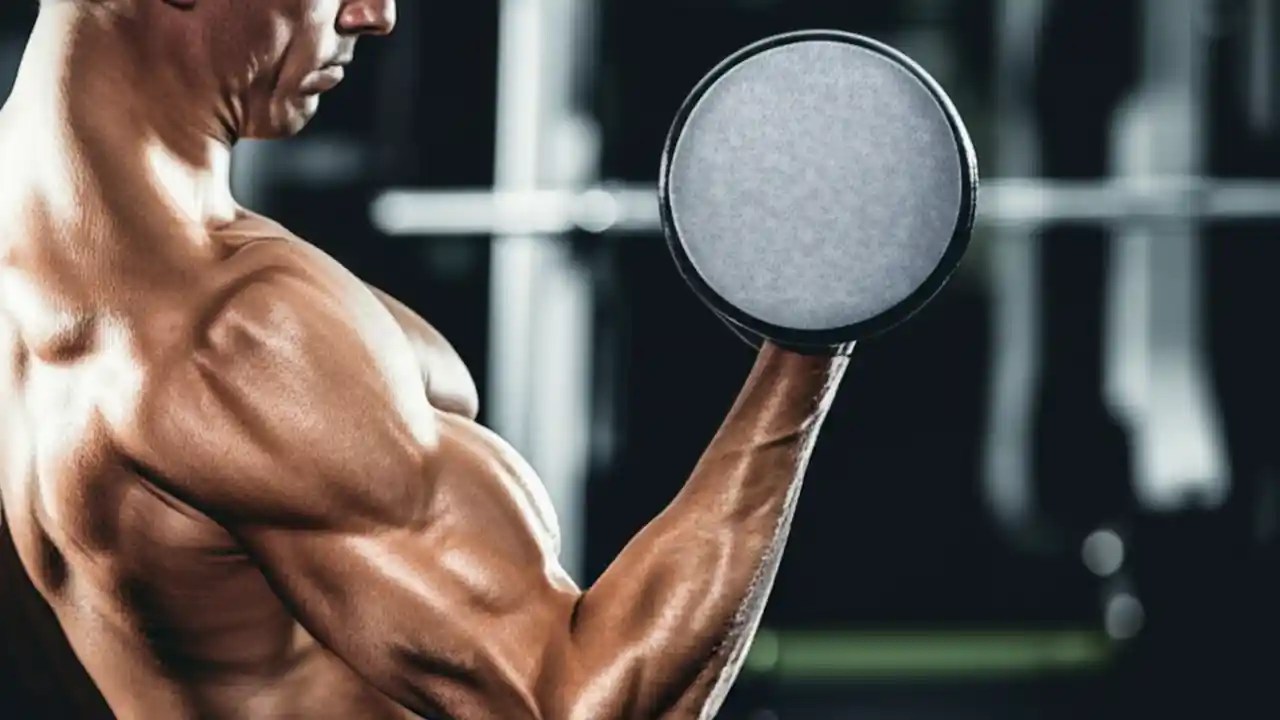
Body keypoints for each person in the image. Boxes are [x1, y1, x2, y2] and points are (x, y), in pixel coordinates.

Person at [0, 1, 849, 717]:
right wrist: (812, 337)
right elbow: (580, 697)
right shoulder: (233, 338)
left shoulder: (44, 265)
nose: (375, 13)